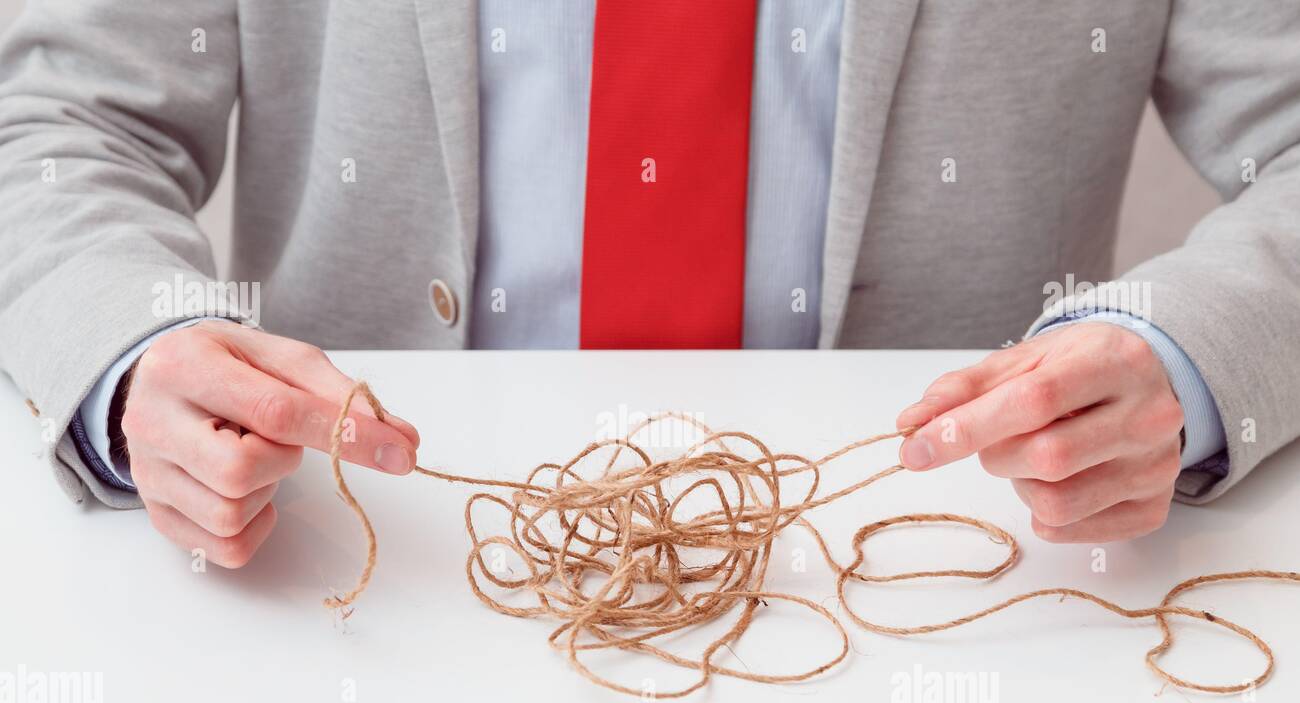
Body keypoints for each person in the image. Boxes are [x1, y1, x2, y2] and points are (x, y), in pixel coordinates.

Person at [1, 1, 1297, 568]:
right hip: (360, 554)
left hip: (937, 574)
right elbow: (61, 121)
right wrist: (134, 355)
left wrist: (1188, 356)